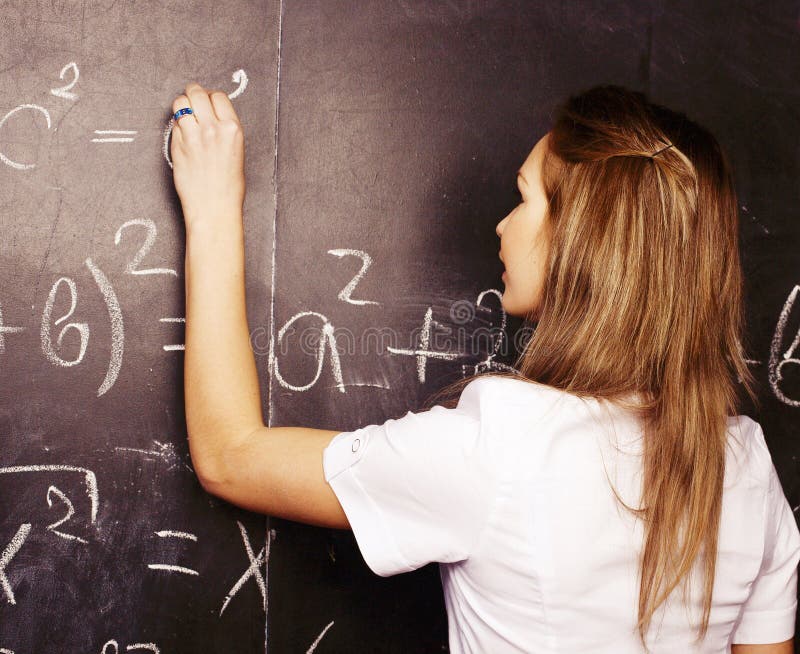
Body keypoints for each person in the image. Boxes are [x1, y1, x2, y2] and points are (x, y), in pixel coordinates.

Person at [169, 81, 800, 653]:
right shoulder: (744, 463)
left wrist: (214, 207)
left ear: (582, 235)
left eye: (524, 199)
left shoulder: (503, 443)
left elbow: (230, 456)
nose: (503, 226)